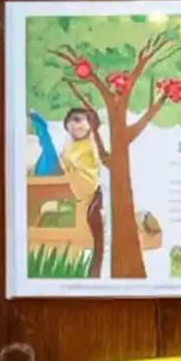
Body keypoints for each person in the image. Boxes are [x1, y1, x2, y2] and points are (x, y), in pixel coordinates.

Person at [60, 108, 106, 278]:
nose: (74, 125)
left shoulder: (94, 144)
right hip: (74, 197)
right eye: (70, 121)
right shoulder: (68, 147)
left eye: (79, 120)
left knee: (96, 236)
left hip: (94, 195)